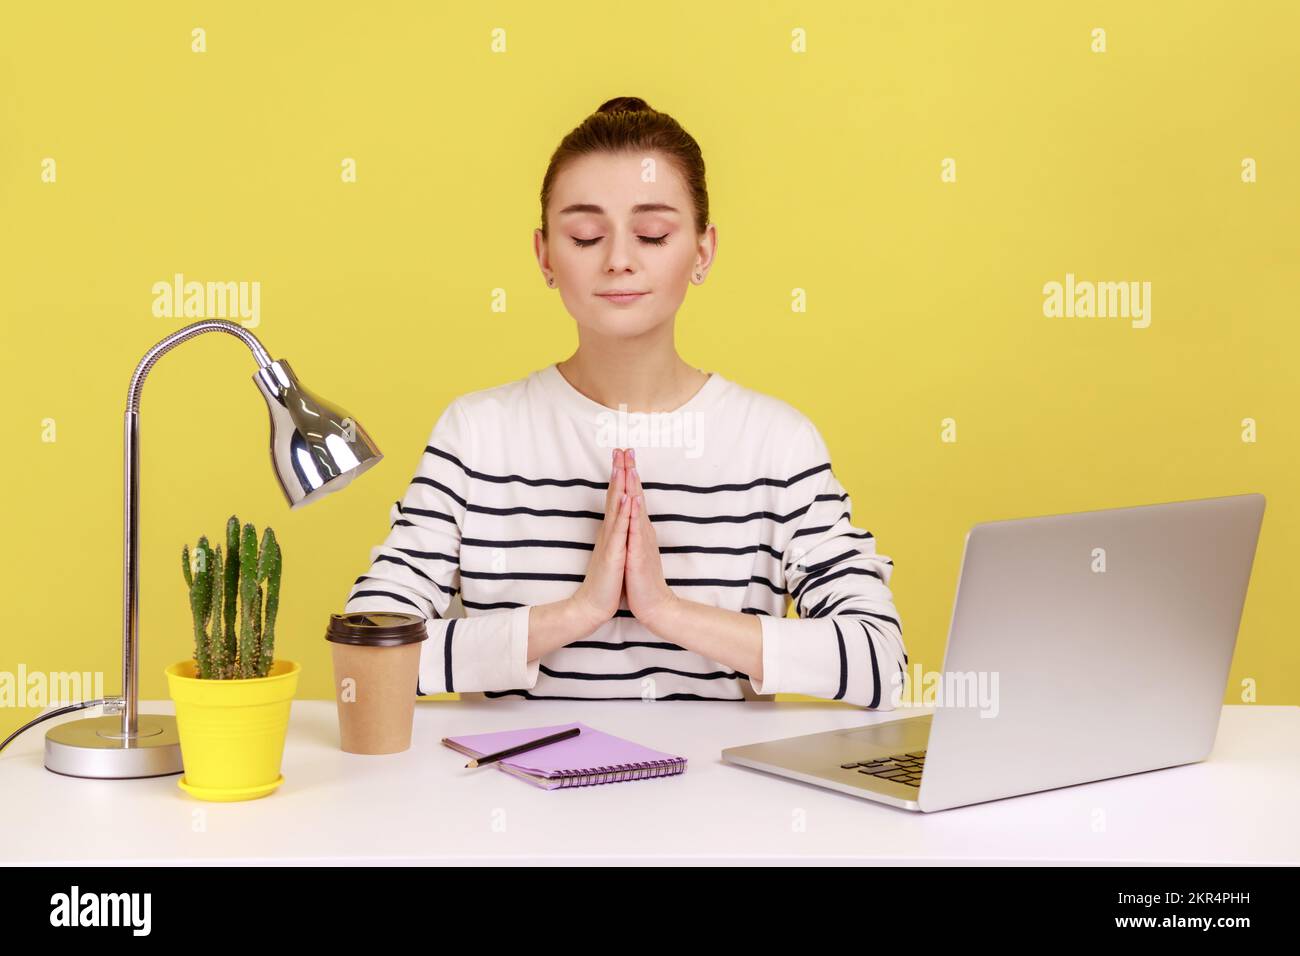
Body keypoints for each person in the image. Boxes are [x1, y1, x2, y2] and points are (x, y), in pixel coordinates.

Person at [344, 96, 906, 707]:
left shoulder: (775, 441)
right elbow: (364, 657)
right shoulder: (477, 434)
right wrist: (578, 611)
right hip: (508, 793)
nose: (618, 260)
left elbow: (880, 662)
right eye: (585, 236)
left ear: (703, 251)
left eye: (652, 234)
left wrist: (665, 610)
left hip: (720, 801)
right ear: (544, 256)